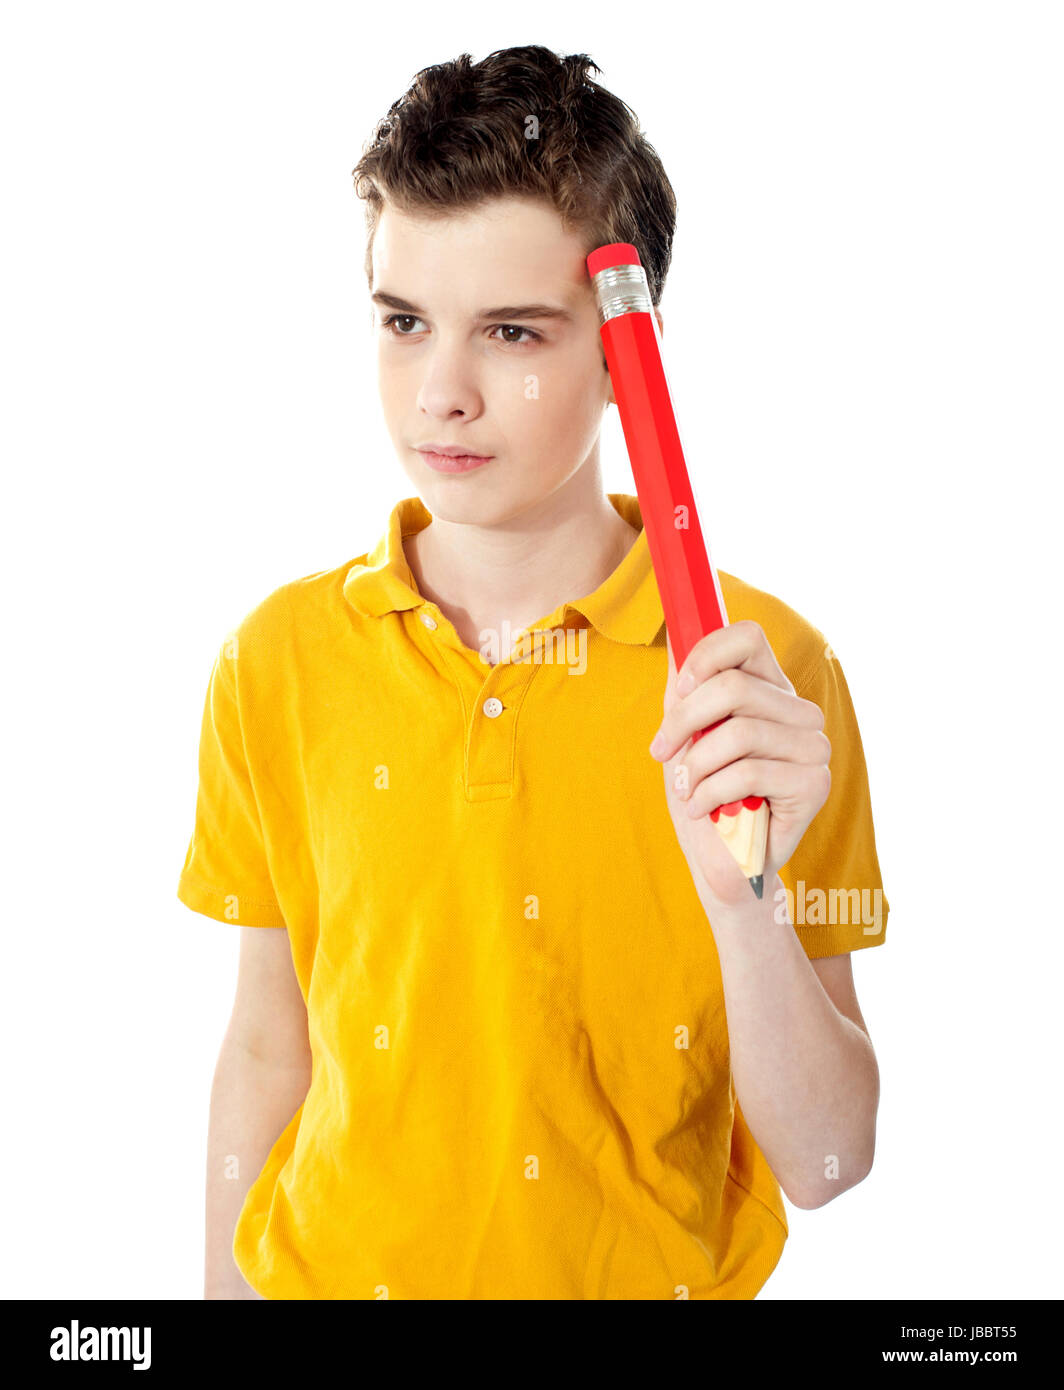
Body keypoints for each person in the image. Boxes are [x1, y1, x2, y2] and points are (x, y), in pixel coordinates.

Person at [179, 44, 889, 1301]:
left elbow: (827, 1157)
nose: (439, 394)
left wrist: (745, 898)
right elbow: (263, 1046)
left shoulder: (767, 678)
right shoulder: (274, 662)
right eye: (403, 323)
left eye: (511, 330)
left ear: (630, 354)